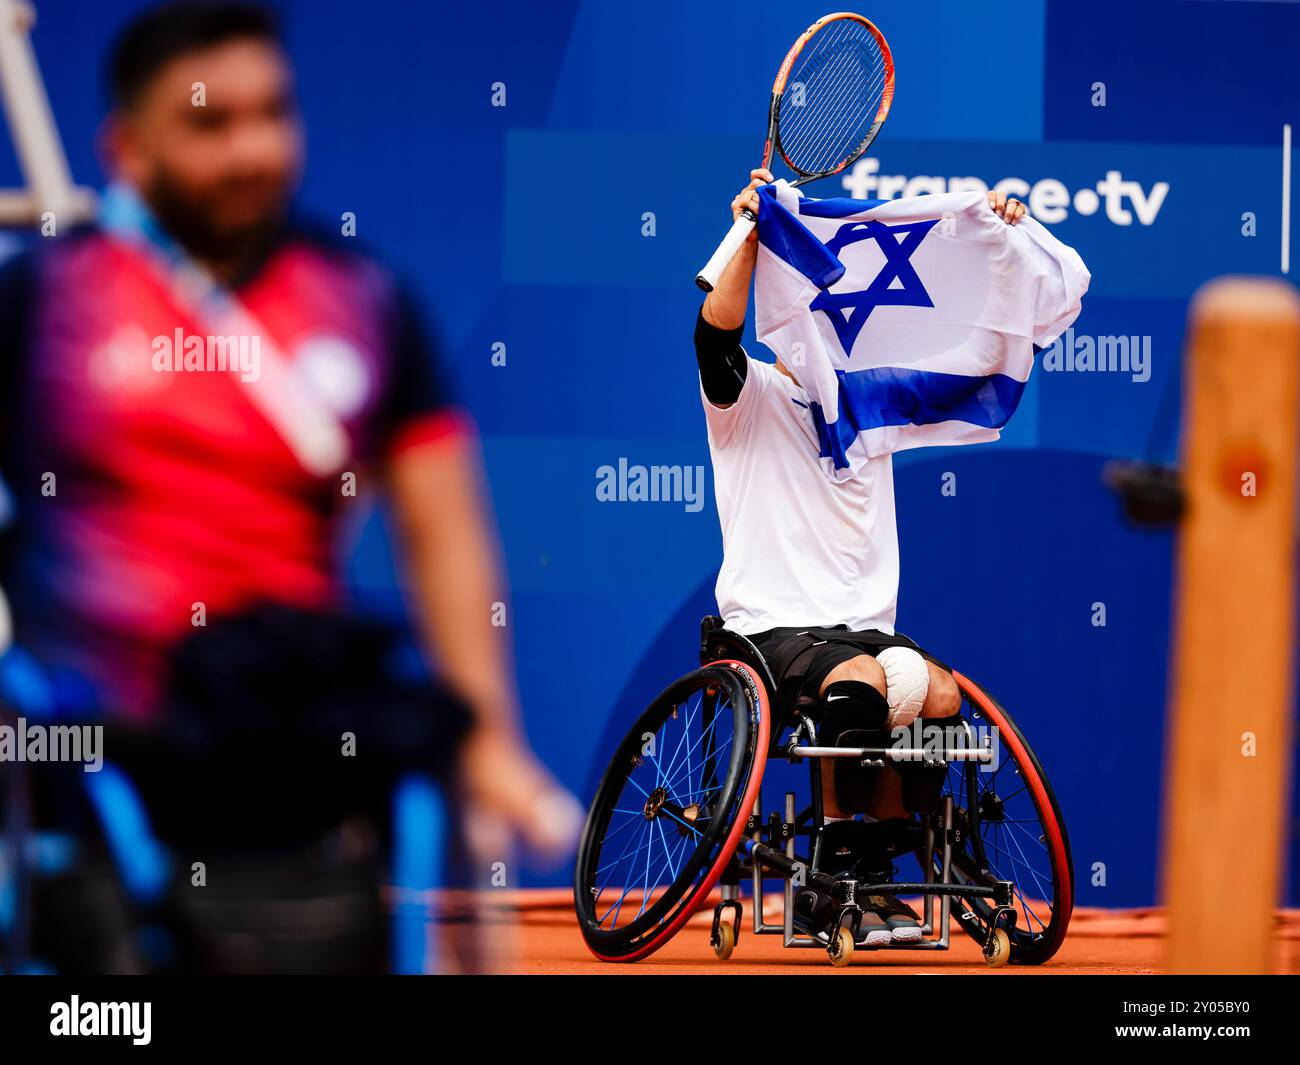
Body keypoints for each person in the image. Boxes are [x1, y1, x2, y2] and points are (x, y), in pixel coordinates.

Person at [0, 2, 577, 970]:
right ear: (127, 147)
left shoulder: (364, 298)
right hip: (96, 740)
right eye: (210, 122)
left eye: (272, 113)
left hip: (294, 741)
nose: (253, 150)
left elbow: (446, 536)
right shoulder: (43, 299)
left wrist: (489, 747)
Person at [694, 168, 1028, 944]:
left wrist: (1002, 248)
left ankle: (883, 854)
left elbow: (979, 359)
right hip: (770, 629)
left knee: (938, 694)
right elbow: (716, 330)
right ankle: (834, 866)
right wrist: (750, 231)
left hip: (866, 629)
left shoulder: (875, 410)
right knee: (861, 680)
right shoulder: (746, 404)